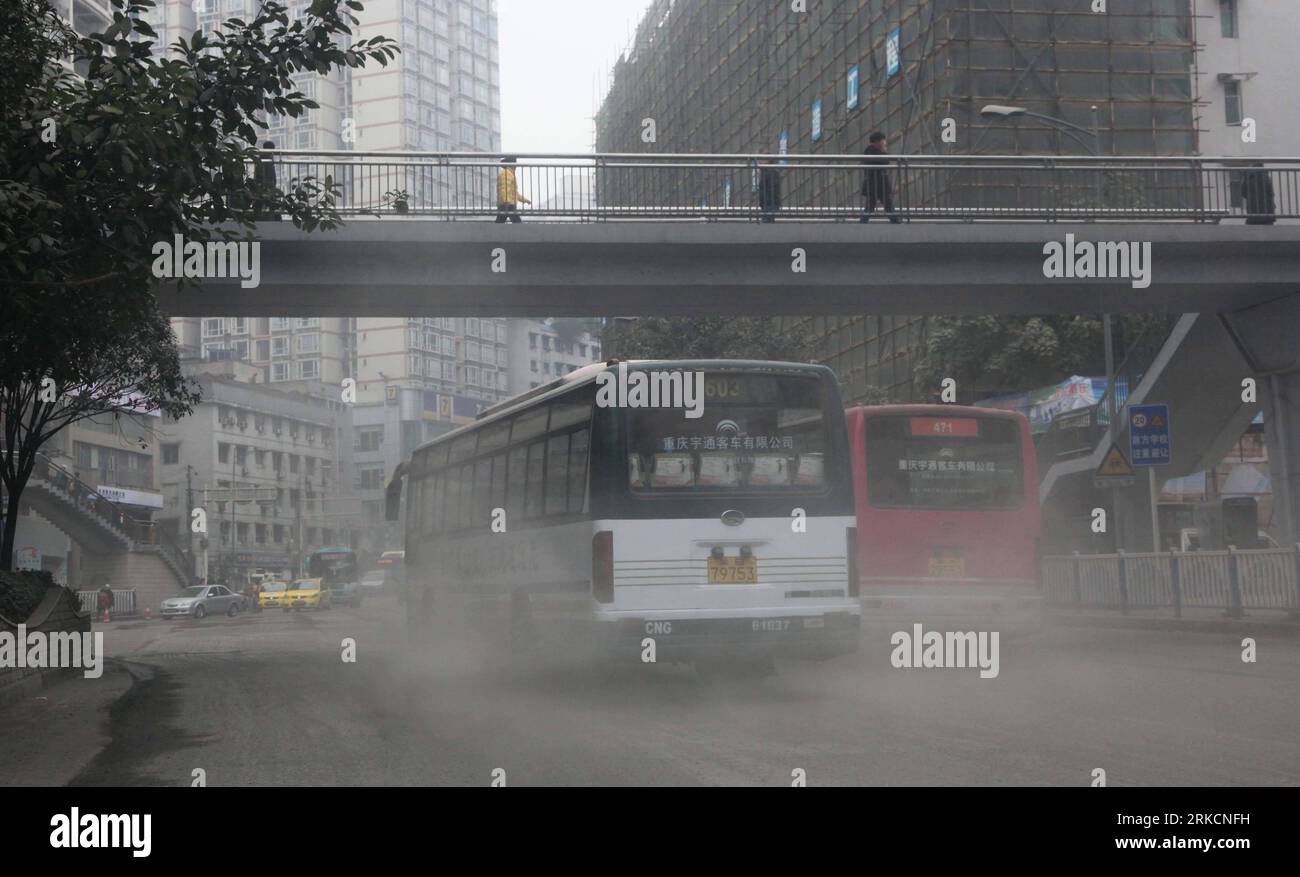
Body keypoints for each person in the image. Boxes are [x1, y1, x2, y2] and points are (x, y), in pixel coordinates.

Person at [861, 131, 901, 223]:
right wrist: (884, 152)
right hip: (876, 184)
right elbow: (884, 161)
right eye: (883, 141)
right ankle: (895, 221)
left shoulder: (871, 151)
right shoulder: (871, 151)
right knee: (883, 205)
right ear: (877, 141)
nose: (884, 143)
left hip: (876, 184)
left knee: (876, 206)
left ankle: (895, 221)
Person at [496, 157, 530, 222]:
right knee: (517, 222)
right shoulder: (506, 173)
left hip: (508, 203)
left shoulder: (510, 174)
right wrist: (506, 201)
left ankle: (491, 231)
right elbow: (504, 188)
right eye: (515, 163)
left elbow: (514, 193)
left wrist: (525, 200)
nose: (516, 165)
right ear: (511, 164)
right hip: (507, 204)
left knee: (500, 221)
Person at [255, 140, 281, 221]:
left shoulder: (262, 158)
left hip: (262, 187)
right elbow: (270, 176)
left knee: (264, 204)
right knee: (269, 204)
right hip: (266, 187)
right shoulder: (267, 159)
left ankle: (263, 217)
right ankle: (272, 219)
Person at [758, 159, 782, 223]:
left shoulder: (770, 172)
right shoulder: (766, 171)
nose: (759, 162)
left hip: (769, 204)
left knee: (766, 224)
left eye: (761, 160)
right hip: (767, 204)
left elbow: (773, 189)